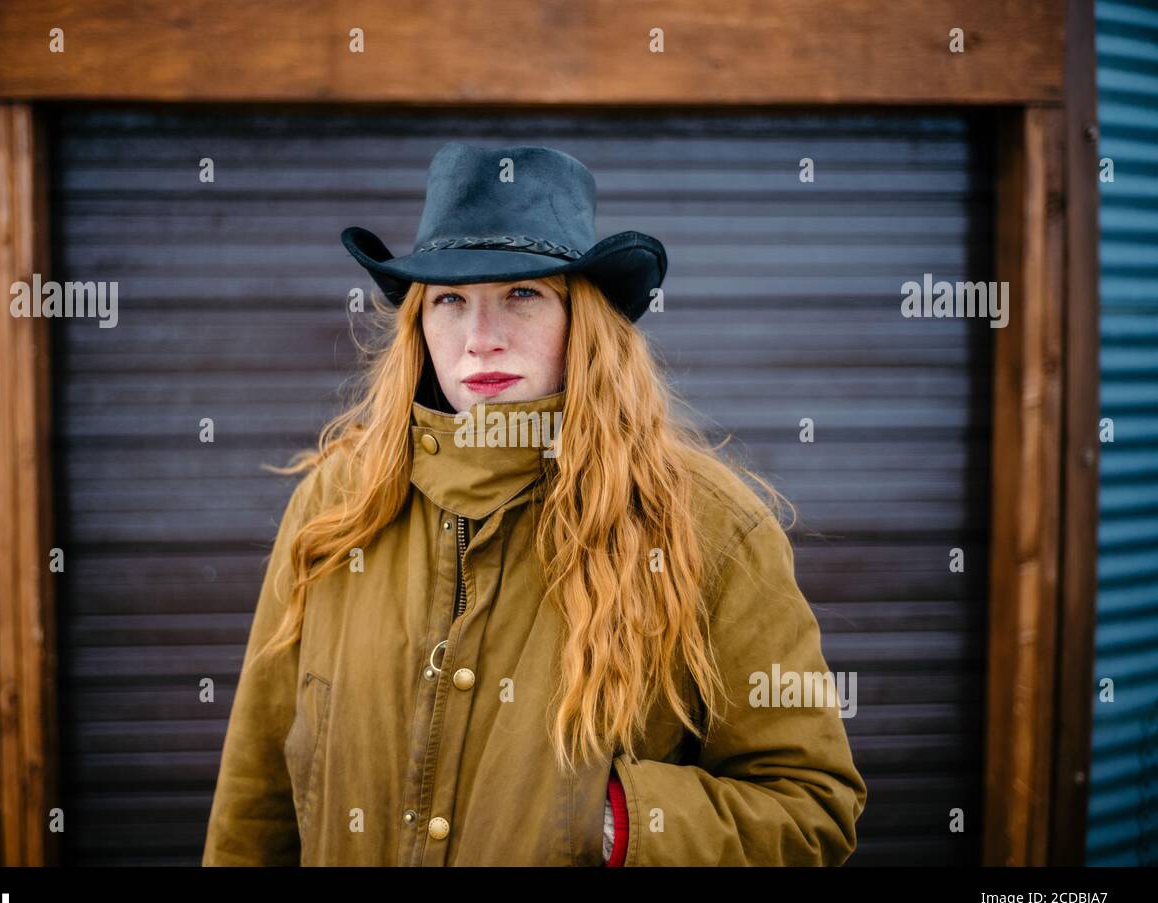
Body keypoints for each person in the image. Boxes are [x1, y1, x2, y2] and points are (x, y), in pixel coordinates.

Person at [201, 143, 867, 866]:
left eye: (522, 294)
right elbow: (255, 790)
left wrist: (613, 820)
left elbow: (810, 809)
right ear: (418, 325)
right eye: (450, 300)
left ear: (585, 321)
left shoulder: (710, 530)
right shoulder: (337, 508)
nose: (480, 341)